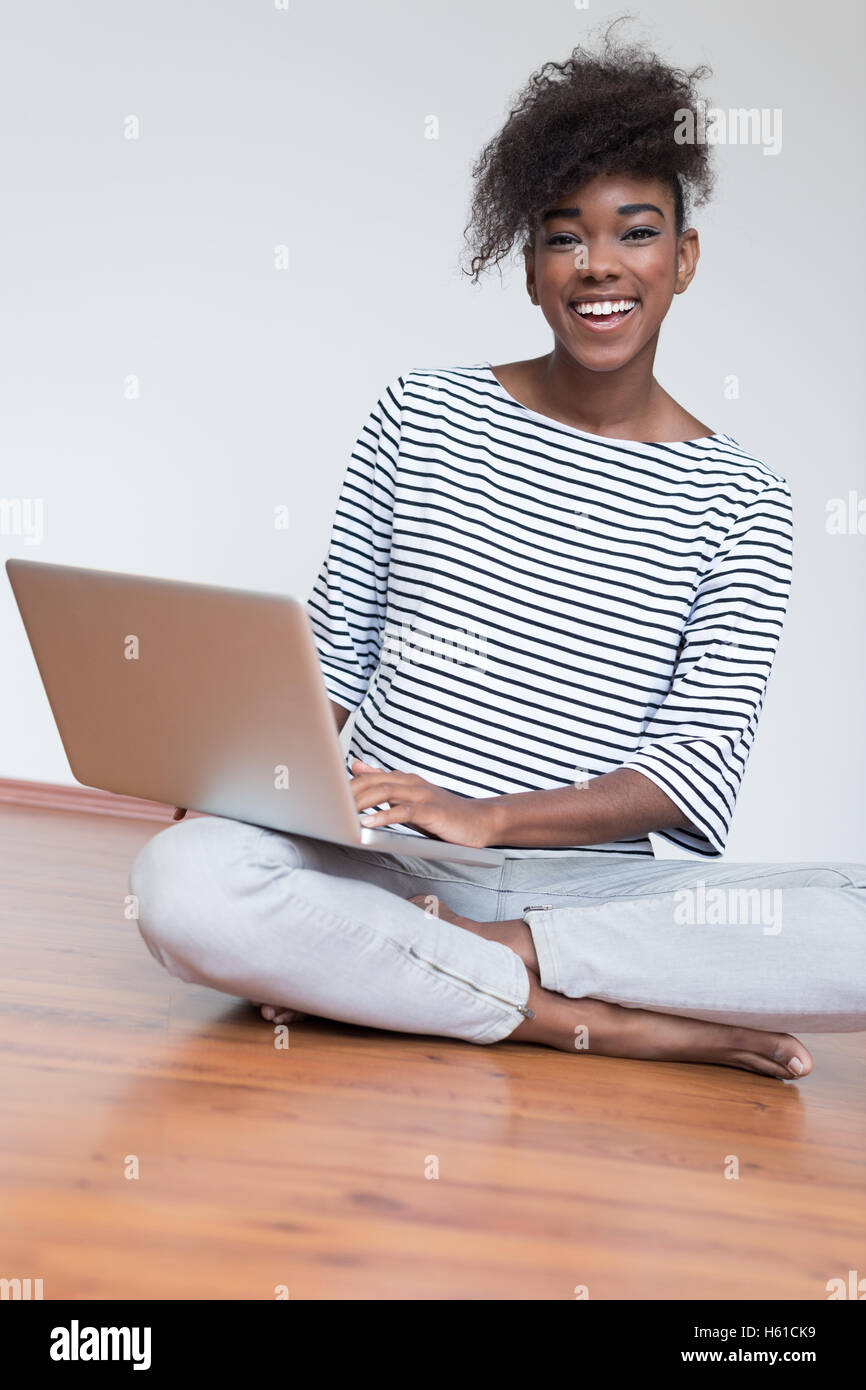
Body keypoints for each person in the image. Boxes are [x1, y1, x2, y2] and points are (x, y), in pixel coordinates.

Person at [129, 25, 866, 1079]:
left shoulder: (741, 498)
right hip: (380, 861)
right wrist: (244, 777)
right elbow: (331, 662)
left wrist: (490, 818)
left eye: (634, 232)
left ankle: (473, 967)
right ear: (527, 268)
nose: (598, 265)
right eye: (563, 236)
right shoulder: (421, 414)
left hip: (587, 892)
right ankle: (575, 1016)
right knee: (182, 879)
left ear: (683, 259)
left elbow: (691, 771)